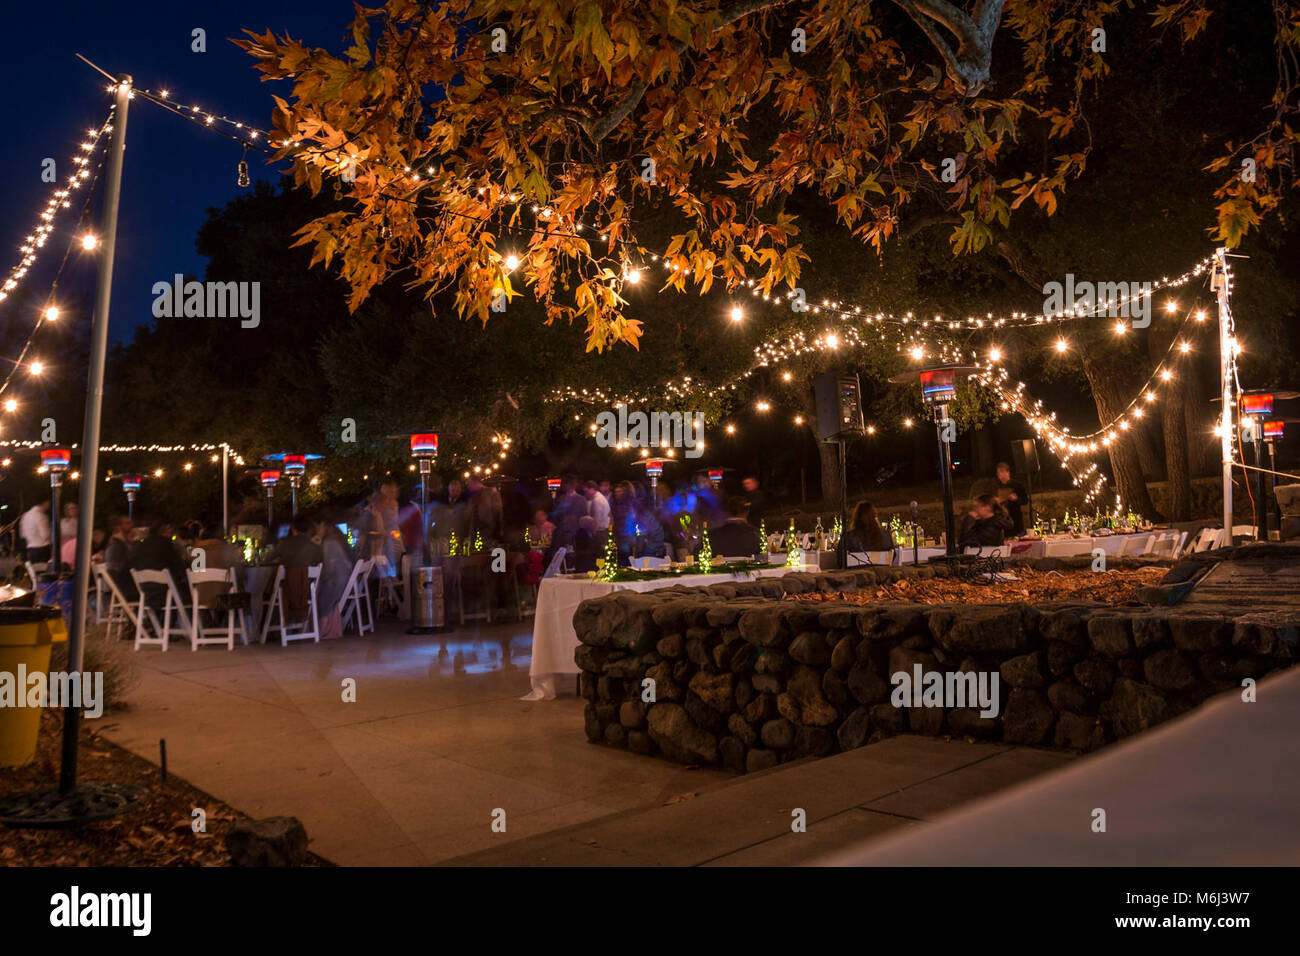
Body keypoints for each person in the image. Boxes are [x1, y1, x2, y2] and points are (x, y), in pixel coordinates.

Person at [993, 461, 1031, 535]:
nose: (1000, 475)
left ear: (1008, 472)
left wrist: (1016, 499)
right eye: (999, 473)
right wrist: (996, 500)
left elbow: (1025, 501)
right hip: (1001, 520)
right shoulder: (995, 486)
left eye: (1002, 472)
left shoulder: (1017, 485)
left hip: (1015, 519)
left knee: (1018, 538)